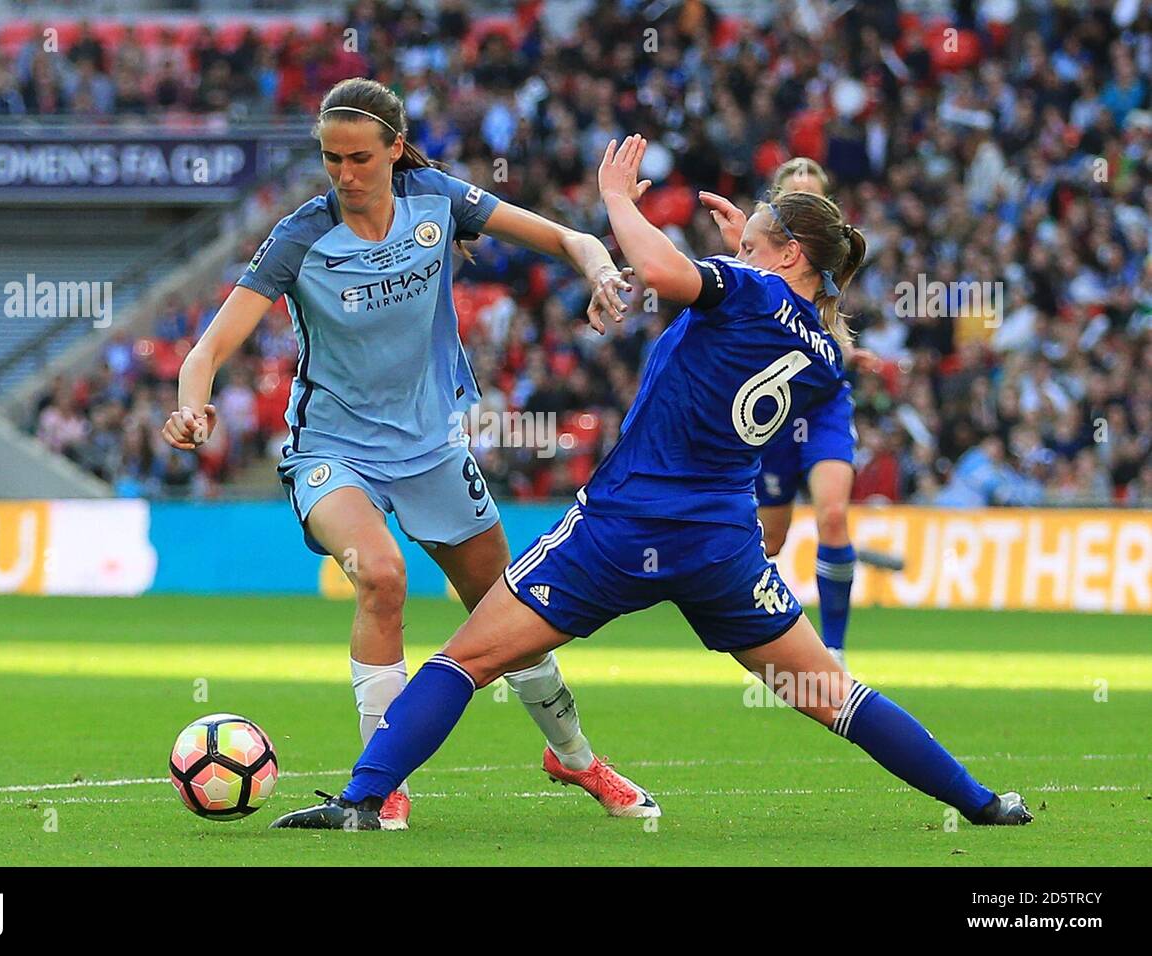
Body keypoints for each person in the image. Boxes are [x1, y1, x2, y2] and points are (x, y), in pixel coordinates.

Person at [268, 136, 1032, 831]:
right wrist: (752, 247)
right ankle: (983, 803)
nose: (741, 237)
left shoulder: (749, 291)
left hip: (626, 524)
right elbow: (768, 307)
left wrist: (618, 202)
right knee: (836, 697)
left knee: (464, 661)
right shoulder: (826, 352)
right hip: (721, 545)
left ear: (787, 252)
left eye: (757, 230)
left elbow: (666, 274)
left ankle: (363, 800)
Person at [161, 78, 658, 830]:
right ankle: (381, 785)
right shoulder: (301, 236)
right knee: (381, 575)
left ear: (395, 148)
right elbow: (208, 348)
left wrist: (598, 273)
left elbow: (570, 238)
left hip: (430, 445)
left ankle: (575, 757)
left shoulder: (438, 199)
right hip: (333, 450)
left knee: (511, 618)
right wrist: (190, 405)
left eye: (359, 157)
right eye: (330, 159)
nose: (344, 174)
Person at [700, 157, 901, 669]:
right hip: (772, 403)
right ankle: (756, 634)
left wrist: (849, 354)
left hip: (823, 396)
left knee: (833, 513)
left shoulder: (832, 259)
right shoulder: (760, 260)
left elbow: (825, 325)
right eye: (798, 190)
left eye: (817, 191)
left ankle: (833, 650)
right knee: (771, 539)